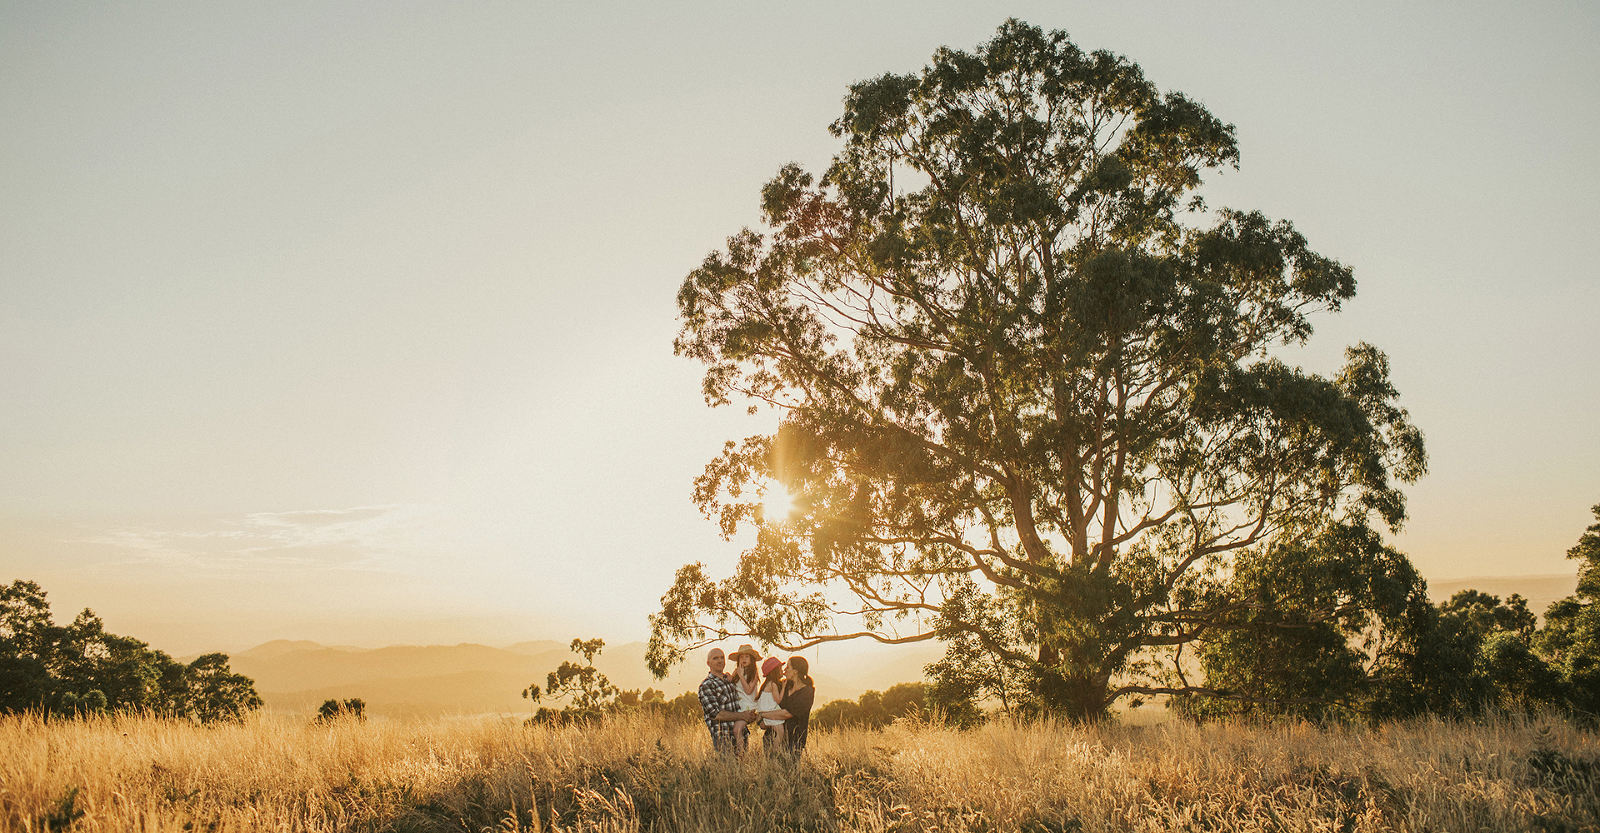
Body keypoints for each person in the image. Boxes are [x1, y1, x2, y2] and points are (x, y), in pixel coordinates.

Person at [697, 647, 757, 754]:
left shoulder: (731, 680)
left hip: (741, 735)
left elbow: (744, 700)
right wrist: (743, 716)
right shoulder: (707, 685)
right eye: (715, 658)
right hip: (723, 738)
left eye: (722, 658)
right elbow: (715, 714)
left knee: (744, 763)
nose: (720, 661)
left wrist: (750, 715)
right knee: (728, 764)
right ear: (708, 663)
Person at [757, 656, 815, 754]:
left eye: (788, 667)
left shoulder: (807, 692)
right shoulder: (783, 685)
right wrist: (761, 721)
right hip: (771, 738)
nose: (784, 670)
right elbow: (767, 702)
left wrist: (762, 715)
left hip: (793, 742)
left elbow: (787, 714)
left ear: (795, 671)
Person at [728, 643, 763, 751]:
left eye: (746, 656)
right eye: (741, 657)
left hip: (748, 706)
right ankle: (741, 750)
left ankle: (741, 754)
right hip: (738, 705)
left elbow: (748, 691)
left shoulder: (753, 673)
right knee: (735, 729)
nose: (744, 659)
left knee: (737, 729)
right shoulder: (737, 671)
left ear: (751, 659)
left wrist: (741, 676)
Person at [754, 656, 787, 748]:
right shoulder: (773, 685)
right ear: (775, 671)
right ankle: (776, 750)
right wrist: (783, 687)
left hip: (765, 712)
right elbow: (778, 700)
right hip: (769, 712)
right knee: (780, 732)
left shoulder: (767, 684)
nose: (782, 671)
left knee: (777, 732)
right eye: (780, 669)